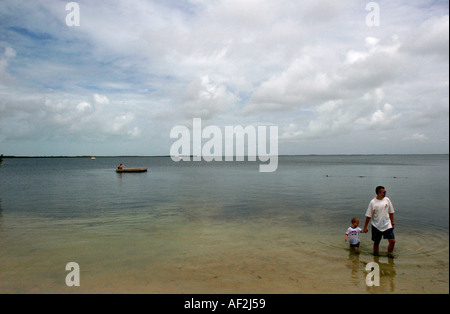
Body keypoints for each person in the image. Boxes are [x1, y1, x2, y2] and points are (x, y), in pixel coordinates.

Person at [363, 186, 395, 258]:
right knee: (376, 242)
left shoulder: (387, 200)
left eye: (385, 191)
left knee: (392, 241)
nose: (385, 193)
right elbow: (368, 216)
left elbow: (391, 212)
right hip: (376, 225)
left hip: (387, 224)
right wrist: (365, 227)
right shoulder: (373, 202)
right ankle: (376, 256)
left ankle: (390, 254)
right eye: (384, 192)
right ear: (379, 193)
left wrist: (392, 223)